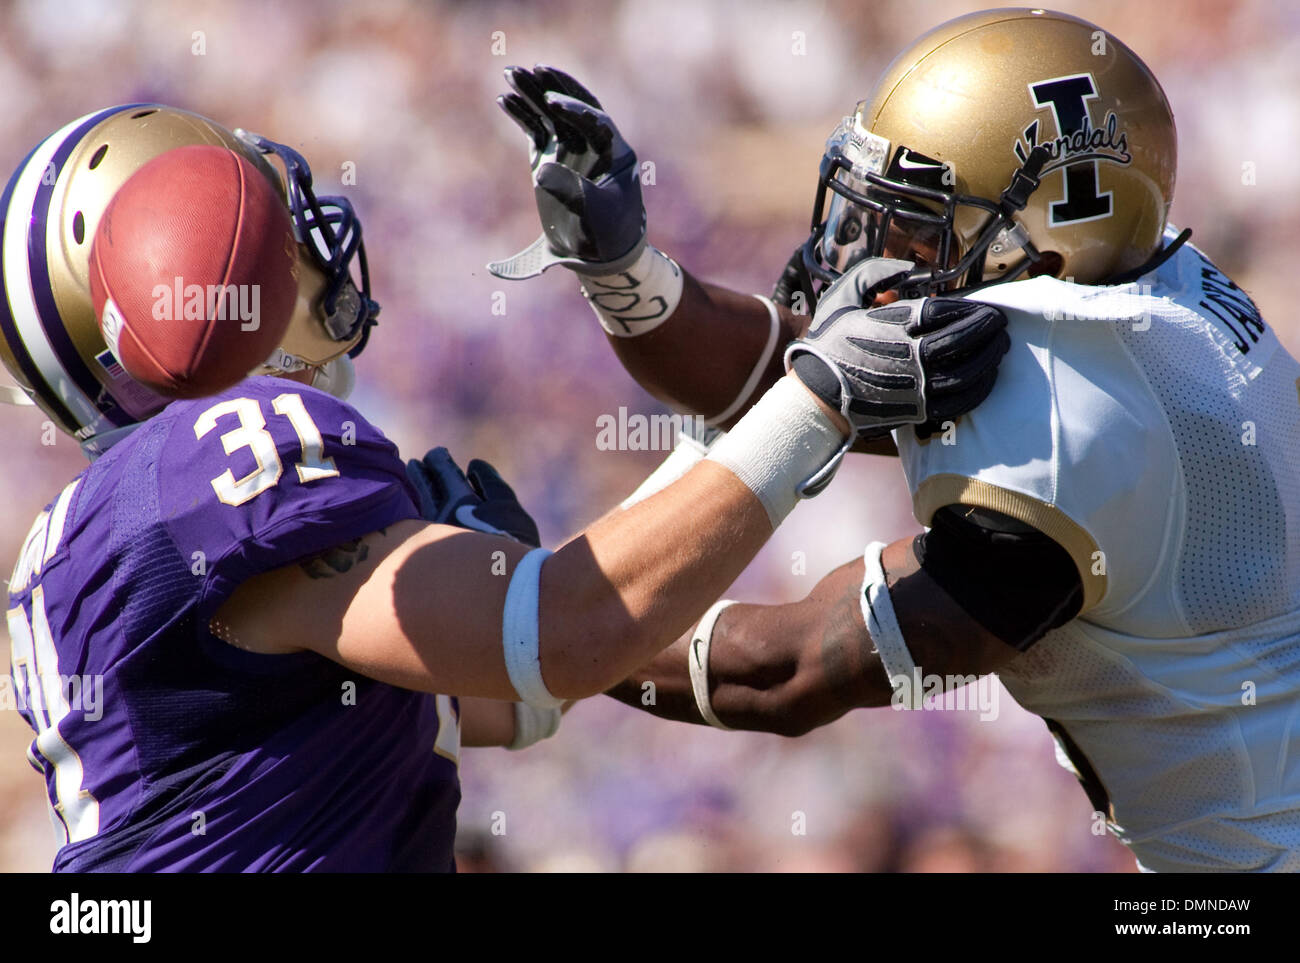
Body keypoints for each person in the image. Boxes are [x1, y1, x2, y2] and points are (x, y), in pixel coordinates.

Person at [0, 104, 1007, 870]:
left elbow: (515, 693)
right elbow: (562, 634)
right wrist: (819, 394)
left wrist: (690, 330)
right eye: (262, 218)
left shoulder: (131, 523)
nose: (303, 232)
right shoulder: (230, 454)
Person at [490, 8, 1300, 872]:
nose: (874, 245)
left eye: (921, 220)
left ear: (1043, 237)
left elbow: (782, 674)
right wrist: (627, 279)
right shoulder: (1147, 295)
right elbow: (795, 378)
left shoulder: (1069, 435)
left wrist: (532, 615)